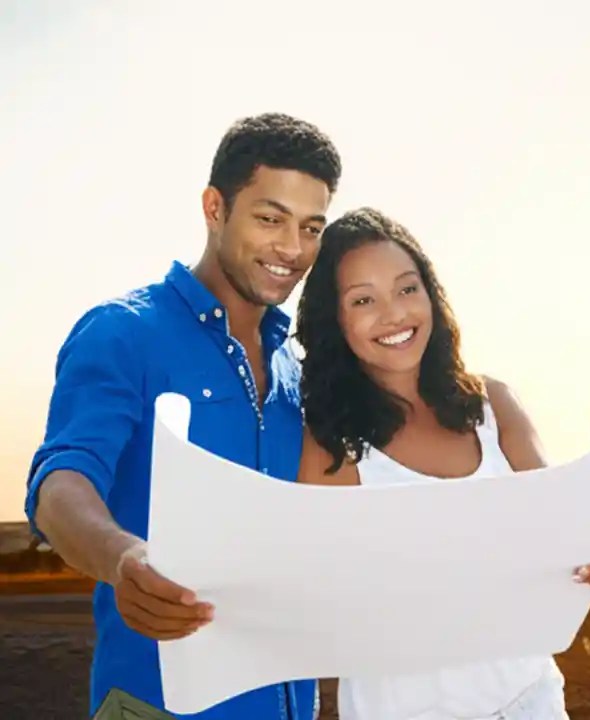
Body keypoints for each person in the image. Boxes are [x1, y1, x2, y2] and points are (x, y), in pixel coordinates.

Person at [24, 112, 343, 719]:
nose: (292, 249)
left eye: (310, 227)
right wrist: (122, 557)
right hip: (156, 707)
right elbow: (61, 481)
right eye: (270, 219)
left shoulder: (298, 369)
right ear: (215, 207)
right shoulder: (123, 333)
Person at [293, 207, 590, 719]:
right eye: (364, 300)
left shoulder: (493, 405)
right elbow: (324, 597)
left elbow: (563, 516)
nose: (394, 314)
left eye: (407, 289)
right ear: (335, 321)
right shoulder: (330, 441)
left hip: (530, 701)